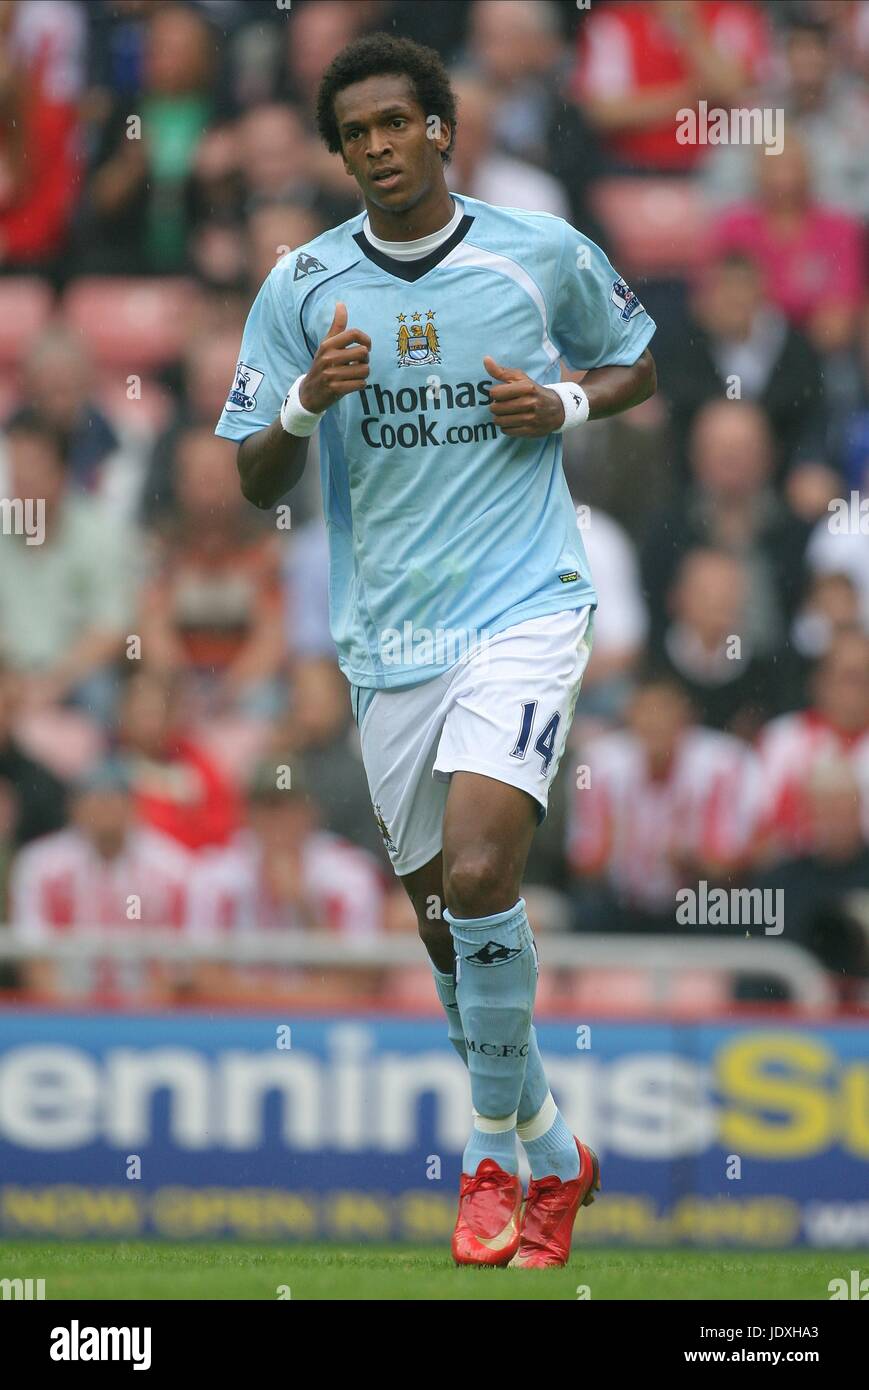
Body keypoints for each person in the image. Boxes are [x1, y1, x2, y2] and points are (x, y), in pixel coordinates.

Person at [216, 33, 657, 1270]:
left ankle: (483, 1166)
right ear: (338, 149)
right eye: (353, 132)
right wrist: (306, 397)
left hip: (523, 606)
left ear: (440, 129)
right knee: (443, 936)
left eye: (395, 124)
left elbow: (633, 360)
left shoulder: (534, 253)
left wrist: (562, 403)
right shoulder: (301, 286)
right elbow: (252, 473)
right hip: (388, 638)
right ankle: (556, 1150)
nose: (376, 147)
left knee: (476, 874)